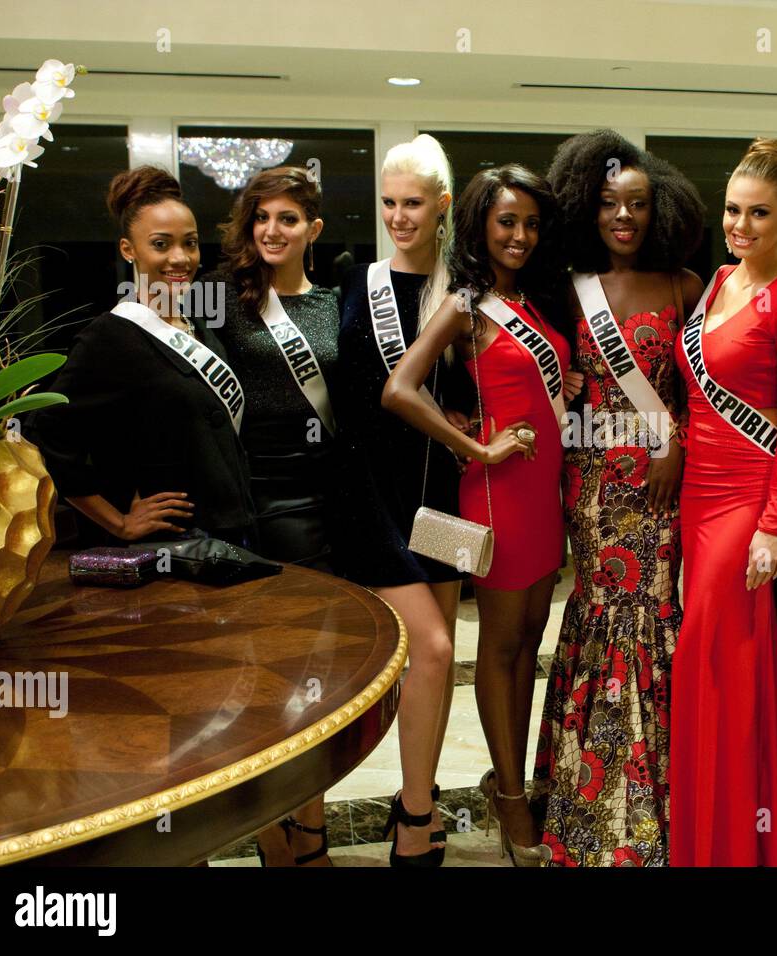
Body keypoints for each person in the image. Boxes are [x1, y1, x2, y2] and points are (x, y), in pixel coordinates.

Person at [382, 164, 575, 866]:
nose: (519, 234)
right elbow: (399, 388)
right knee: (498, 646)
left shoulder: (538, 299)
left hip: (543, 496)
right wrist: (476, 446)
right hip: (496, 498)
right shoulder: (466, 304)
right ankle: (512, 801)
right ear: (479, 227)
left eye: (529, 222)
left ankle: (509, 779)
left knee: (529, 642)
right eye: (505, 222)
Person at [533, 129, 705, 866]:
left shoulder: (684, 285)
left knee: (657, 618)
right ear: (587, 208)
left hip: (663, 485)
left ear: (658, 208)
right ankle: (592, 799)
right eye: (609, 204)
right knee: (603, 619)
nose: (624, 217)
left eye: (637, 203)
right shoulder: (565, 288)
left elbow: (712, 392)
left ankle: (660, 797)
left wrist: (678, 444)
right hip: (593, 486)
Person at [670, 138, 777, 866]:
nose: (741, 225)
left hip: (744, 505)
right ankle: (711, 831)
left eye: (759, 213)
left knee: (722, 658)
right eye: (733, 210)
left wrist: (773, 525)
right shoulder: (716, 282)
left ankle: (736, 843)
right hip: (697, 498)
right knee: (705, 659)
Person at [335, 134, 465, 866]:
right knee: (436, 650)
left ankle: (423, 790)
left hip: (442, 498)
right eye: (388, 202)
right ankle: (414, 818)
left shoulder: (464, 288)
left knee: (437, 672)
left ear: (442, 206)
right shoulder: (355, 284)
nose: (398, 216)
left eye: (412, 203)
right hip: (370, 496)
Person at [210, 165, 339, 866]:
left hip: (321, 502)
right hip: (248, 498)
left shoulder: (332, 303)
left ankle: (312, 829)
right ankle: (269, 834)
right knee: (262, 677)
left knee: (316, 673)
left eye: (288, 219)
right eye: (261, 217)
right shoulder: (225, 304)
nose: (272, 230)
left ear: (312, 231)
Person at [28, 166, 255, 548]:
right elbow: (44, 436)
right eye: (161, 244)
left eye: (191, 243)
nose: (180, 258)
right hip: (175, 546)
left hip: (235, 532)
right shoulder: (110, 336)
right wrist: (118, 522)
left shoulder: (200, 325)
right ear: (128, 249)